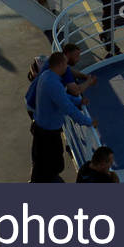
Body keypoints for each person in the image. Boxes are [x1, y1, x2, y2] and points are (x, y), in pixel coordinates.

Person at [29, 51, 96, 182]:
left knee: (42, 162)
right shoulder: (52, 83)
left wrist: (78, 101)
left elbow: (62, 97)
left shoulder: (47, 76)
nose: (67, 68)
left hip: (41, 128)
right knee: (52, 164)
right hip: (47, 133)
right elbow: (67, 107)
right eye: (65, 64)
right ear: (59, 65)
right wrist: (88, 122)